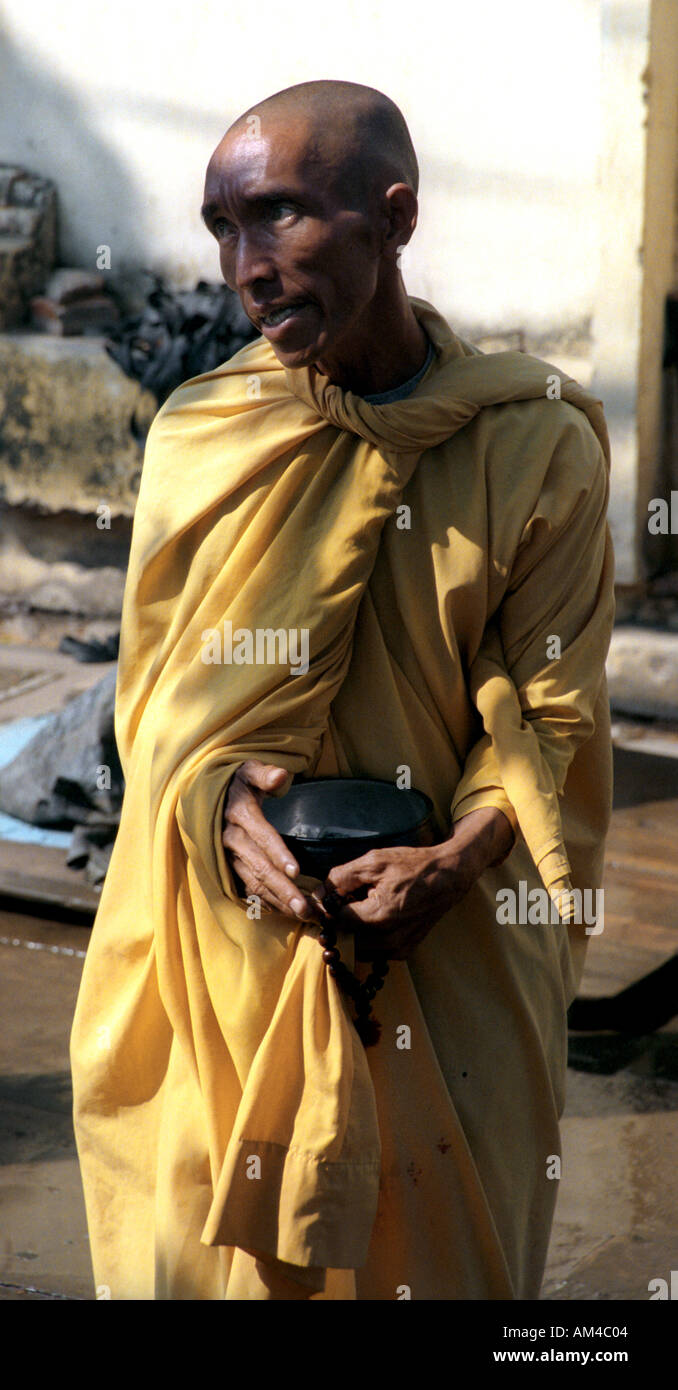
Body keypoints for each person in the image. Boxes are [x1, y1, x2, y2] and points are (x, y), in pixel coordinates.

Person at [70, 79, 614, 1300]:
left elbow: (551, 710)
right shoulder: (204, 439)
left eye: (278, 217)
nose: (245, 266)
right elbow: (153, 708)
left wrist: (457, 858)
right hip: (239, 935)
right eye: (222, 230)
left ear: (394, 217)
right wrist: (210, 806)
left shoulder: (538, 447)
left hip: (449, 942)